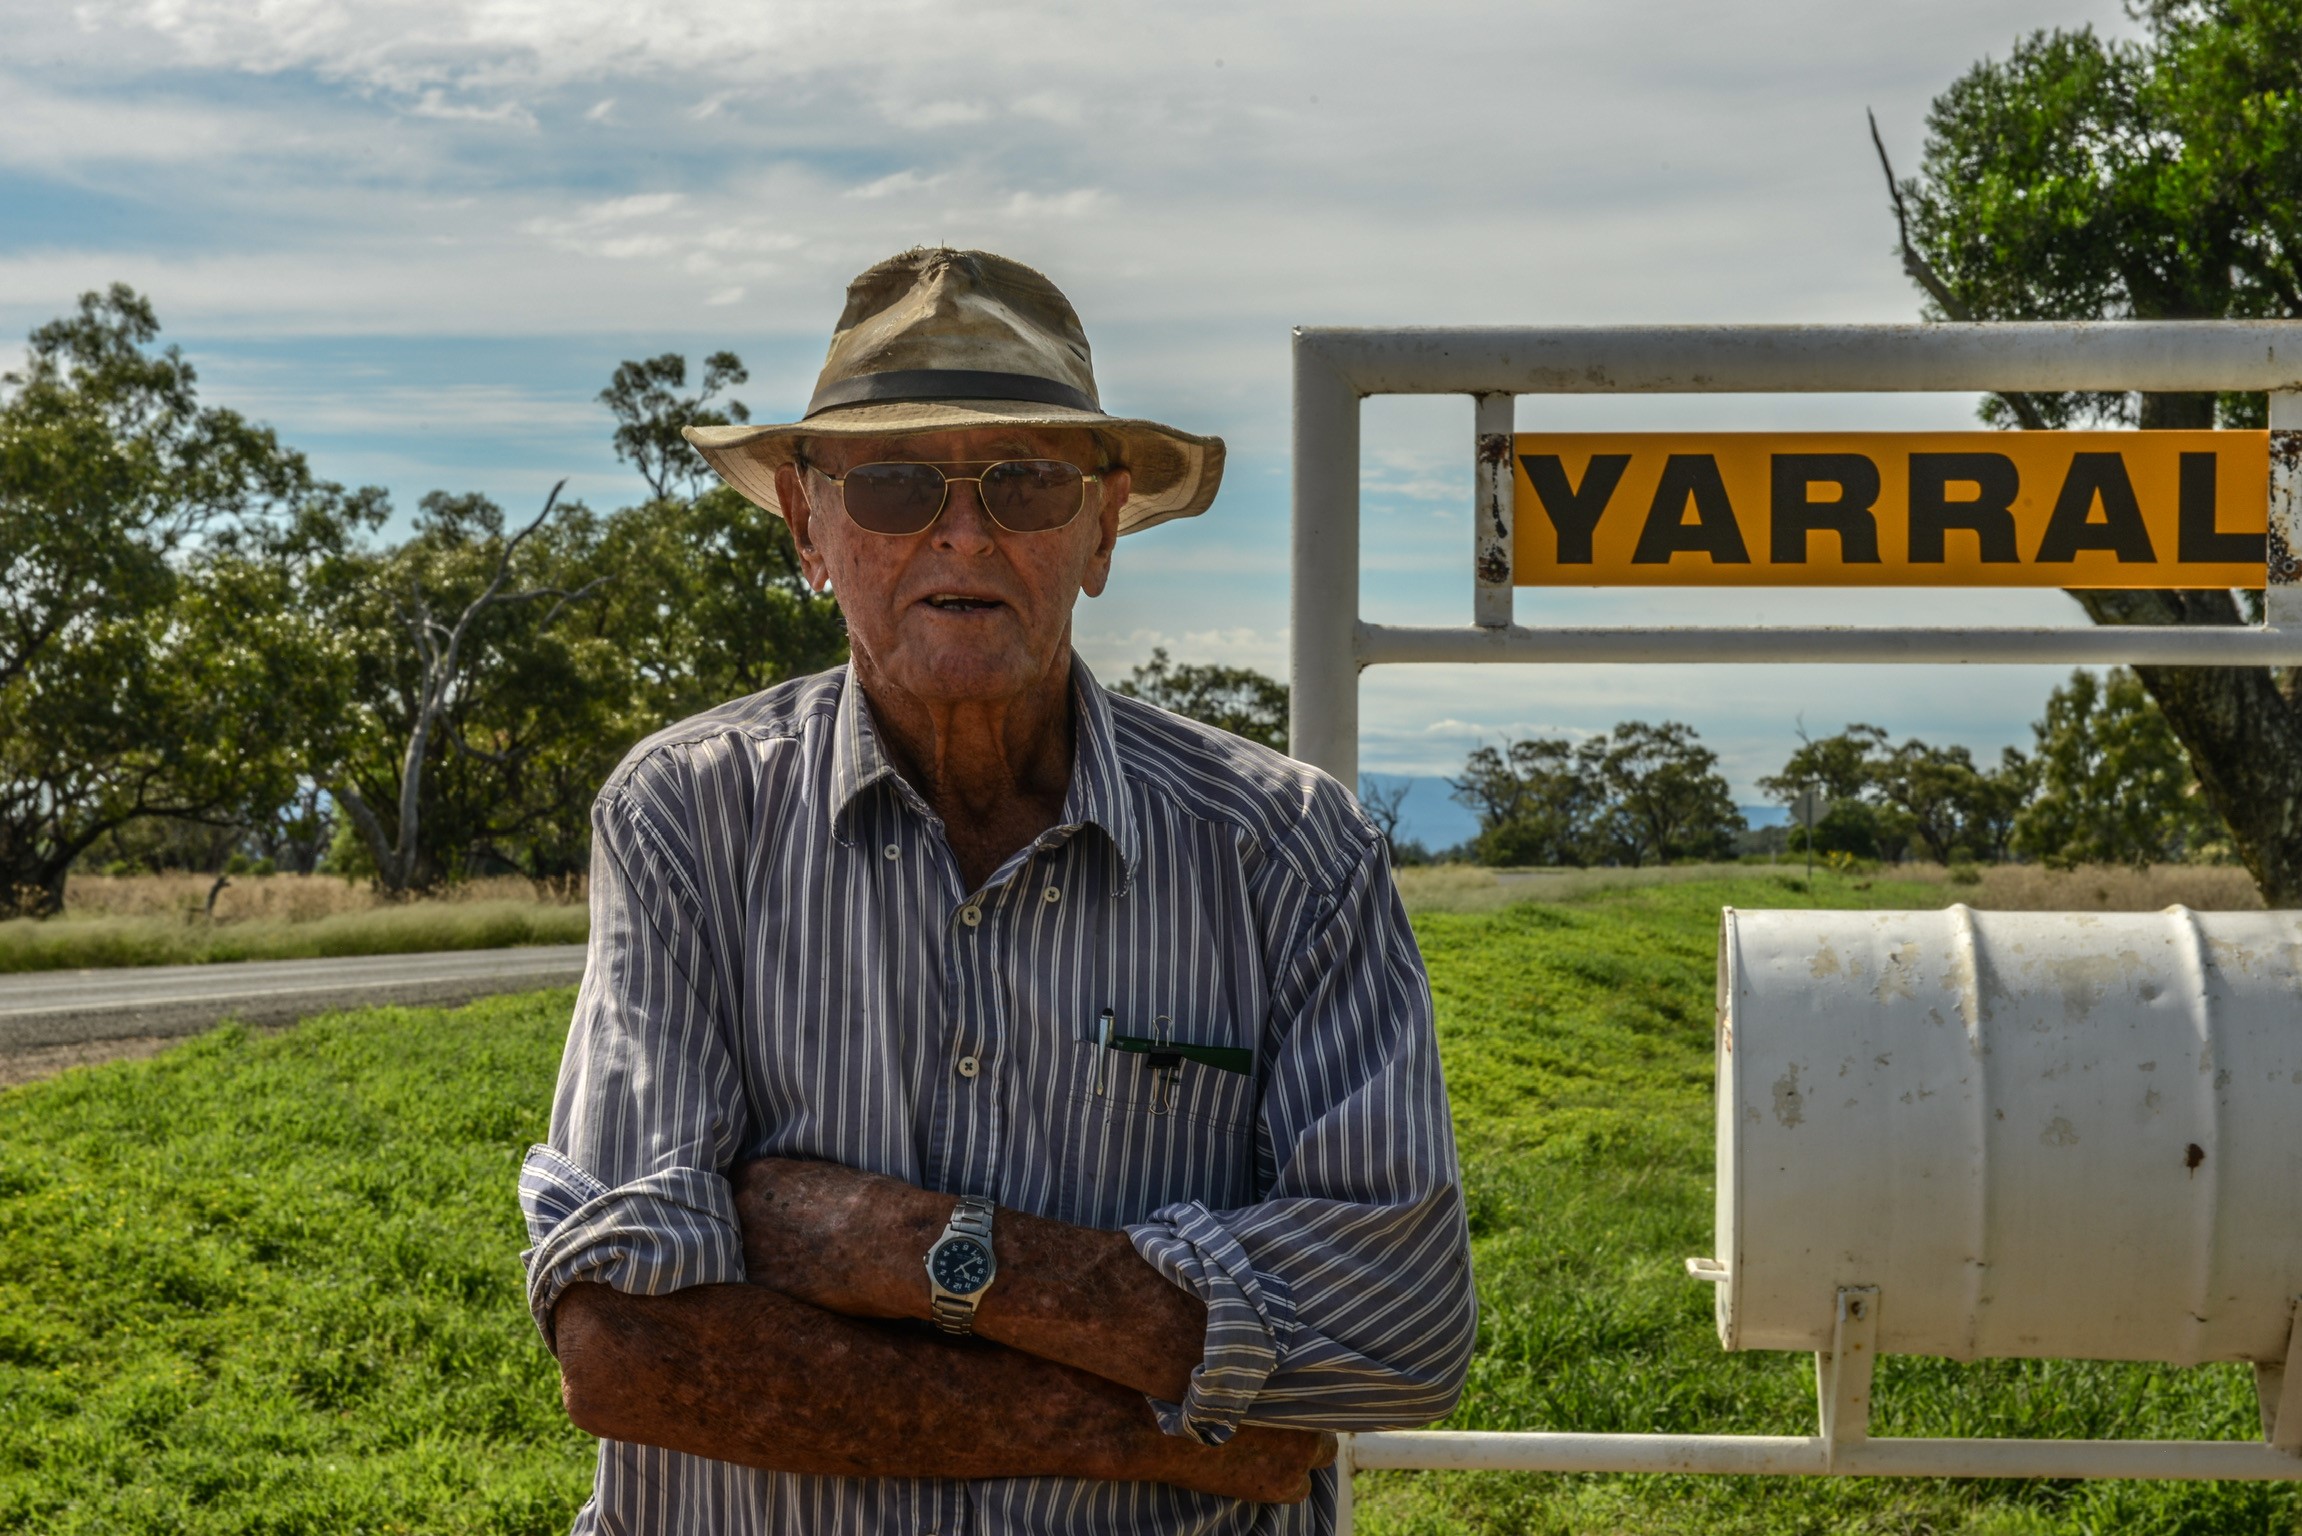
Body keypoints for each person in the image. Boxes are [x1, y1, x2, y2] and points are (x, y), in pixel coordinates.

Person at [518, 247, 1476, 1536]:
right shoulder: (689, 815)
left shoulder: (1287, 849)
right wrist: (1164, 1431)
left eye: (1023, 481)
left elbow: (1400, 1327)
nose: (963, 532)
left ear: (1099, 527)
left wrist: (891, 1243)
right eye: (898, 483)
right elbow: (630, 1350)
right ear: (810, 527)